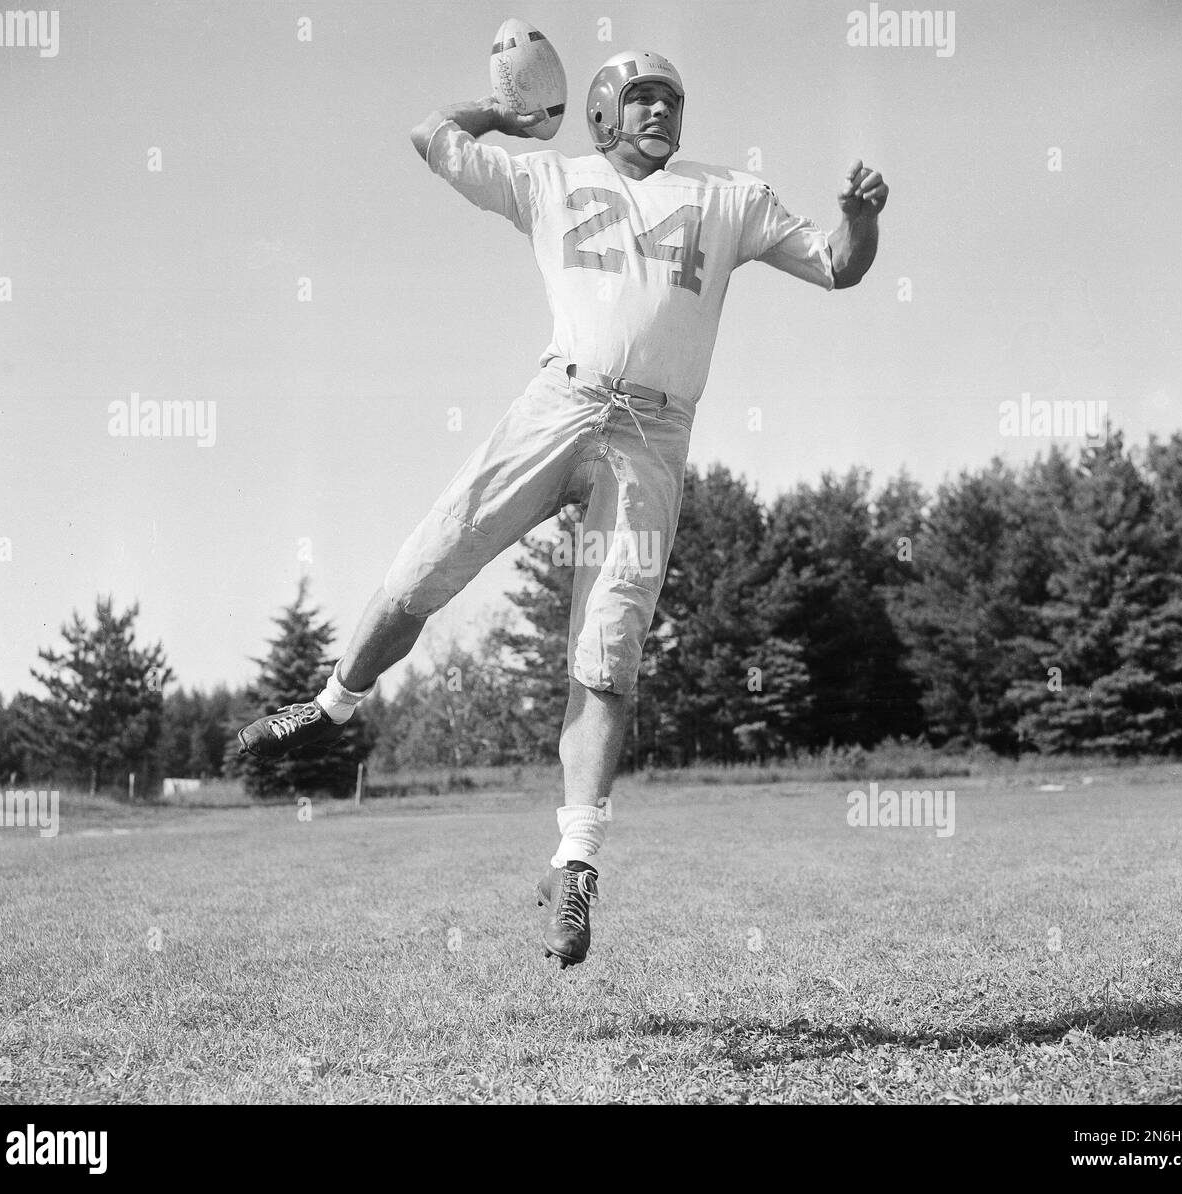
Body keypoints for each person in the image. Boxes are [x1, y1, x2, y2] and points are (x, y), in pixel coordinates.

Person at [238, 49, 888, 968]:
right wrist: (510, 117)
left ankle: (576, 861)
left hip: (654, 436)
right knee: (426, 566)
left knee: (609, 651)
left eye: (673, 97)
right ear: (599, 114)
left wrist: (861, 221)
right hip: (561, 403)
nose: (662, 108)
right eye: (642, 96)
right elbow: (431, 135)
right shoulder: (552, 177)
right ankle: (334, 704)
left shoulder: (731, 193)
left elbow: (839, 267)